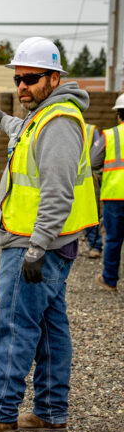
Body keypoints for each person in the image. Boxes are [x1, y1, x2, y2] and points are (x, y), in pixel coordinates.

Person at [0, 37, 97, 432]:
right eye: (18, 78)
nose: (21, 86)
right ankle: (50, 412)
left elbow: (58, 190)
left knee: (15, 325)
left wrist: (35, 246)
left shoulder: (59, 122)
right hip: (48, 244)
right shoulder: (46, 116)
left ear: (53, 77)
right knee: (50, 328)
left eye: (30, 78)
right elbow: (32, 137)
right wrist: (9, 122)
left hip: (34, 245)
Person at [89, 93, 124, 291]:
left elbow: (93, 161)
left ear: (119, 115)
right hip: (114, 195)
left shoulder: (110, 135)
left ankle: (110, 280)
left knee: (113, 238)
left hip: (114, 195)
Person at [84, 122, 104, 258]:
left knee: (88, 213)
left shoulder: (90, 130)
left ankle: (95, 245)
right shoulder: (91, 130)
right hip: (83, 178)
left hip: (84, 179)